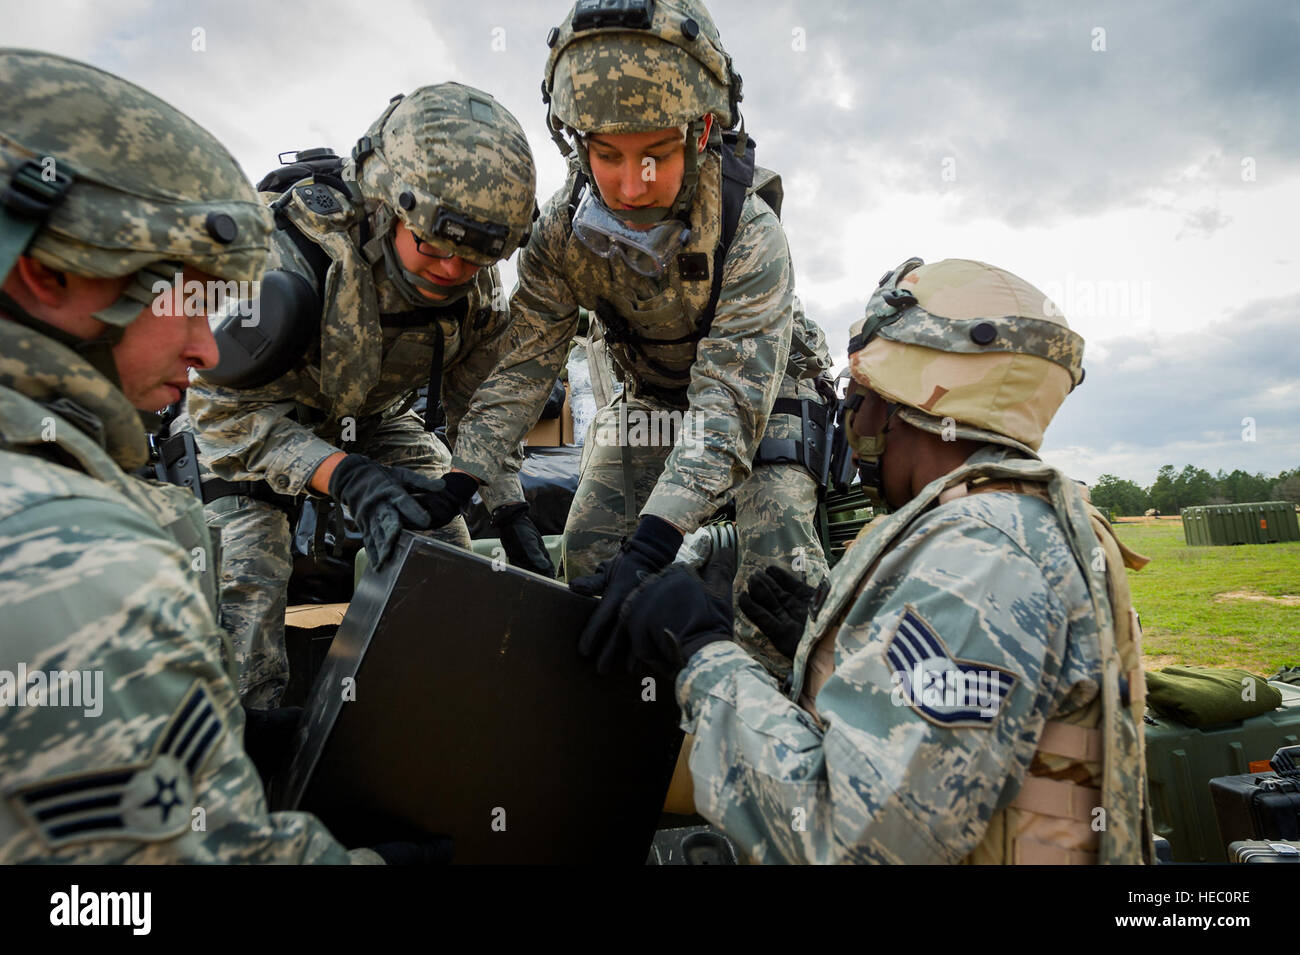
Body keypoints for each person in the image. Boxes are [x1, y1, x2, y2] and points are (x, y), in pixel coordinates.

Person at [0, 49, 432, 863]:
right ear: (51, 270)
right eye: (191, 296)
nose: (206, 345)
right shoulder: (78, 557)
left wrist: (226, 733)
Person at [609, 257, 1153, 864]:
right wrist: (828, 657)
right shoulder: (1008, 523)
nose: (850, 426)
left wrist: (703, 654)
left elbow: (851, 842)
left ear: (909, 405)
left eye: (861, 400)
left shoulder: (979, 557)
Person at [415, 0, 834, 680]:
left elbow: (727, 410)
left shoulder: (749, 234)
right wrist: (463, 477)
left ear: (702, 132)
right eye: (606, 154)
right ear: (574, 142)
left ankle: (778, 720)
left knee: (776, 560)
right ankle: (627, 719)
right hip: (654, 395)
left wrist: (657, 539)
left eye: (655, 155)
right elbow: (524, 367)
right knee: (590, 549)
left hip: (762, 393)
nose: (628, 182)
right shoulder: (560, 236)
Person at [182, 84, 545, 708]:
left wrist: (509, 512)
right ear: (387, 207)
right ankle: (250, 753)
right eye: (434, 246)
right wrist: (345, 477)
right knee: (250, 584)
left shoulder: (474, 289)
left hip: (371, 419)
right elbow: (218, 408)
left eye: (474, 257)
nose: (451, 272)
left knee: (445, 546)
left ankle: (418, 712)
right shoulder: (287, 262)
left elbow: (480, 404)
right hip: (254, 426)